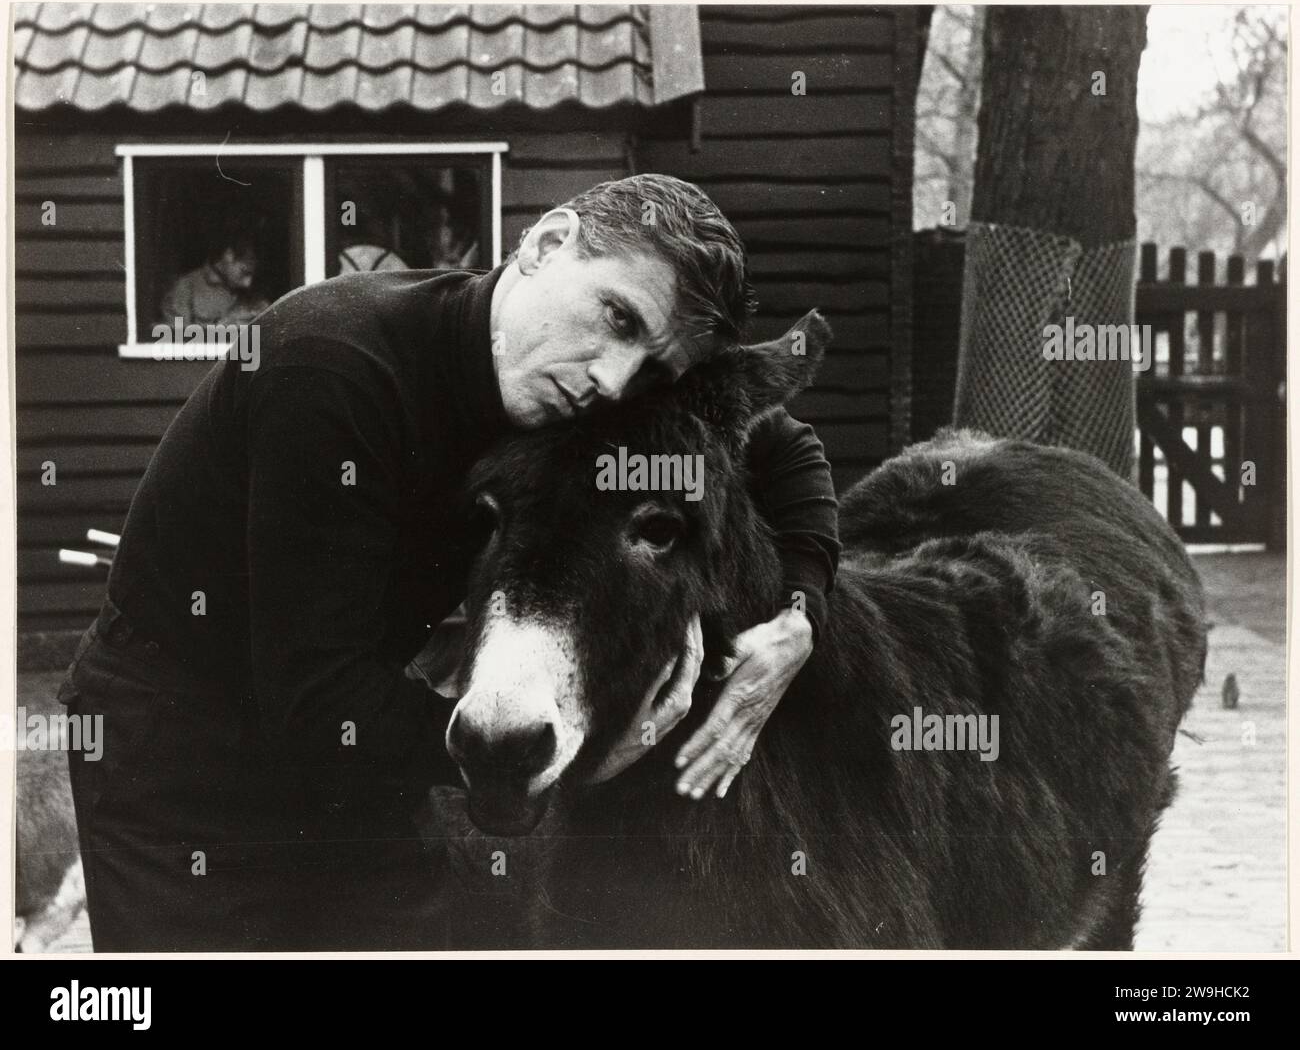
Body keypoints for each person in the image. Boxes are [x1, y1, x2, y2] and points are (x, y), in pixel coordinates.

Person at [59, 174, 840, 951]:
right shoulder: (332, 366)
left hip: (351, 742)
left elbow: (783, 445)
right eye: (616, 315)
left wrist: (800, 617)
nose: (613, 379)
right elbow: (315, 700)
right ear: (547, 244)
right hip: (178, 755)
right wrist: (566, 753)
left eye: (650, 369)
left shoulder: (568, 388)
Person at [156, 229, 268, 328]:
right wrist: (221, 328)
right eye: (244, 272)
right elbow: (175, 344)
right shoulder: (186, 288)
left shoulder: (253, 292)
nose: (247, 284)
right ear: (228, 256)